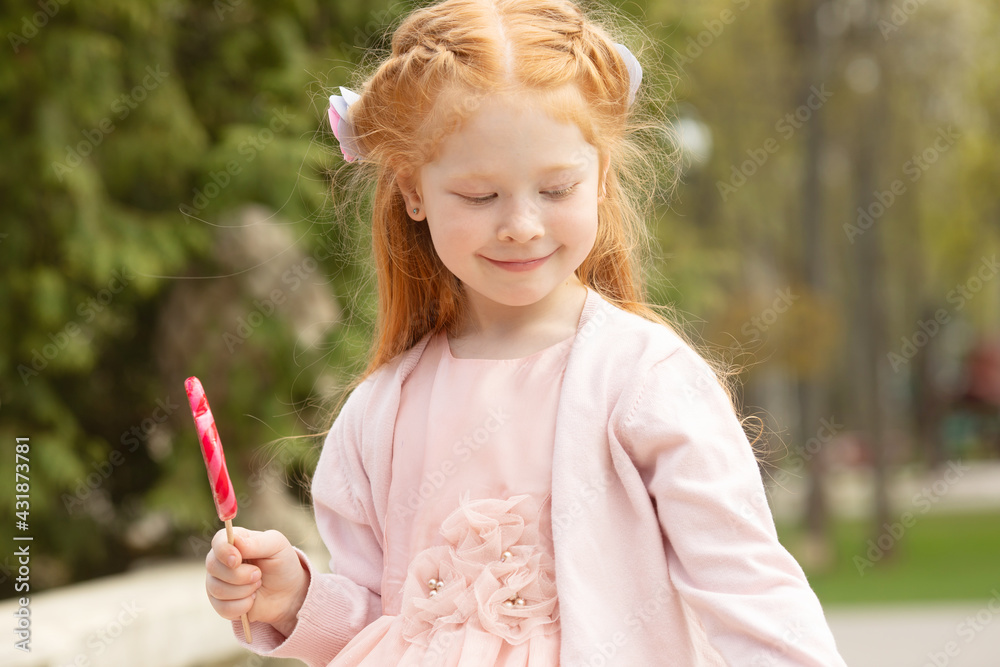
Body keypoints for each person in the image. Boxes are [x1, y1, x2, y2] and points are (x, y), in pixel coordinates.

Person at [204, 0, 848, 664]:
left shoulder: (643, 381)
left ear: (600, 177)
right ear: (413, 191)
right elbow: (383, 629)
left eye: (556, 188)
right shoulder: (382, 411)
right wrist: (294, 598)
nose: (521, 225)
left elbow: (748, 593)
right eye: (480, 196)